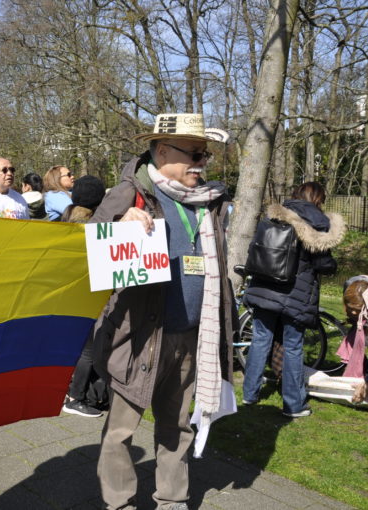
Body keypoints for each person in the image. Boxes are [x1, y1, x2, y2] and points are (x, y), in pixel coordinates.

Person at [91, 113, 236, 510]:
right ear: (162, 151)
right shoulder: (130, 192)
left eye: (205, 154)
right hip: (138, 337)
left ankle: (173, 500)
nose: (202, 162)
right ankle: (119, 503)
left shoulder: (209, 201)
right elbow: (86, 245)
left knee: (177, 426)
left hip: (191, 337)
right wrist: (119, 221)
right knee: (120, 431)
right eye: (194, 153)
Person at [243, 182, 344, 417]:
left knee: (260, 339)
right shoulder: (317, 223)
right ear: (317, 199)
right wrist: (332, 265)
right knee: (293, 347)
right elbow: (324, 264)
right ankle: (293, 404)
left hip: (264, 289)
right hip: (295, 295)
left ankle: (249, 394)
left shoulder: (274, 216)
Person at [60, 175, 107, 417]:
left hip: (68, 294)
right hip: (88, 295)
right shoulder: (96, 226)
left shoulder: (65, 219)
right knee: (88, 351)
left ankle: (71, 392)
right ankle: (75, 398)